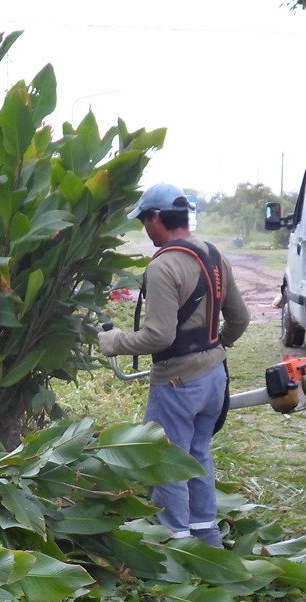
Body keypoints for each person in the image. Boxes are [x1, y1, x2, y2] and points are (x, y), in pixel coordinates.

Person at [98, 183, 250, 547]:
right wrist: (215, 345)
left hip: (178, 383)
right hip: (215, 378)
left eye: (144, 221)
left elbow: (159, 336)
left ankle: (174, 545)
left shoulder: (164, 265)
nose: (145, 229)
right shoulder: (214, 254)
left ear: (156, 217)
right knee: (197, 456)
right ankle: (207, 540)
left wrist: (114, 341)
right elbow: (240, 319)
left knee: (166, 461)